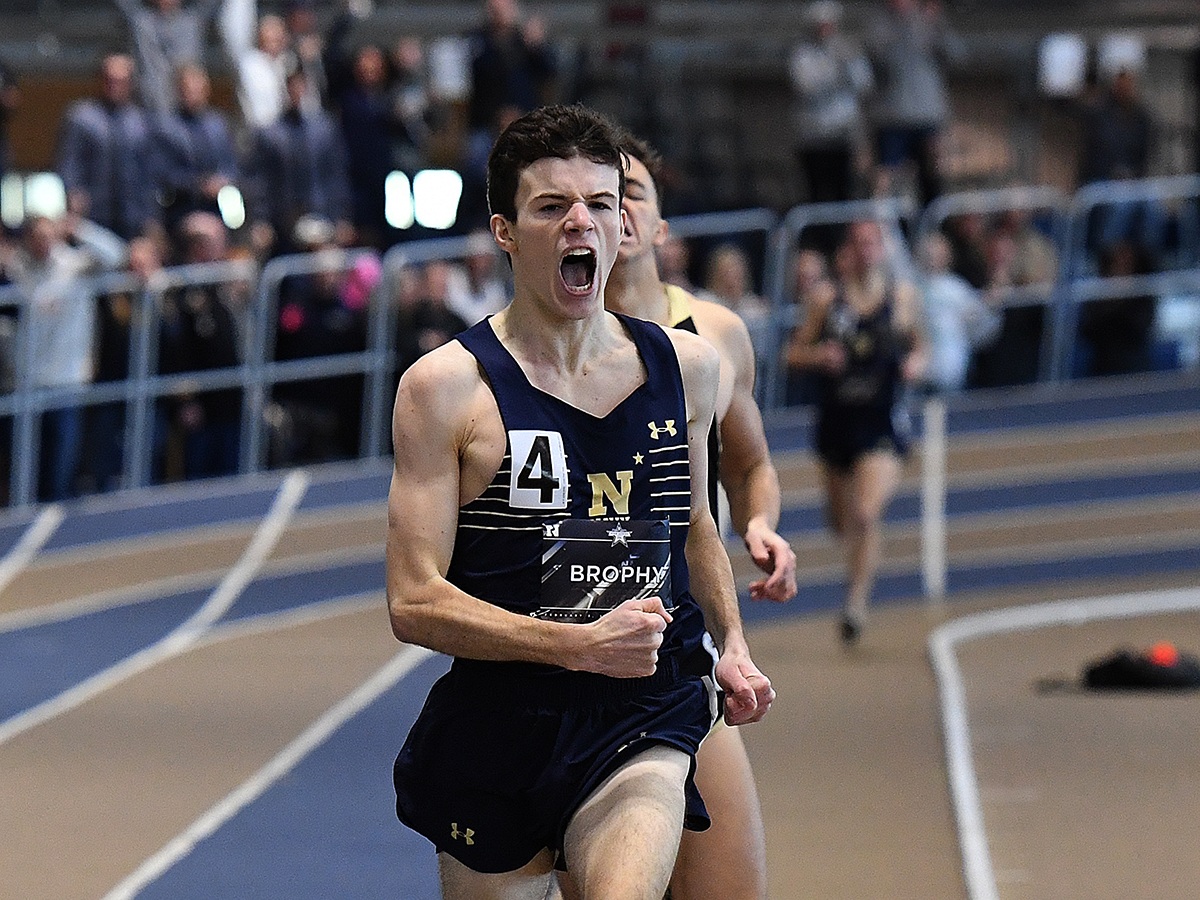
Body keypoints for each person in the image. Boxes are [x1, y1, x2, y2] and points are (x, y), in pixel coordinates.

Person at [387, 104, 773, 900]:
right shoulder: (446, 390)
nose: (582, 224)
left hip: (643, 709)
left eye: (600, 204)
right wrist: (572, 645)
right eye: (551, 207)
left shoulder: (689, 370)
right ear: (504, 230)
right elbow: (413, 602)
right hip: (500, 722)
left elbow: (694, 523)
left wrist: (731, 639)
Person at [602, 132, 796, 900]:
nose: (613, 212)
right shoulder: (535, 351)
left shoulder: (715, 337)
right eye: (593, 198)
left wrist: (760, 523)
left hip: (688, 636)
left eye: (631, 196)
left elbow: (750, 462)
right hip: (577, 640)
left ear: (659, 229)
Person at [787, 218, 926, 643]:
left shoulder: (901, 298)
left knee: (866, 514)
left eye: (873, 243)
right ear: (848, 251)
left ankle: (855, 603)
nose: (866, 251)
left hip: (881, 421)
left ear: (882, 249)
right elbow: (791, 353)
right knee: (841, 522)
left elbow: (922, 346)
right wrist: (818, 357)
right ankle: (856, 579)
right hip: (836, 421)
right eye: (859, 243)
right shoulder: (827, 299)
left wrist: (917, 364)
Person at [57, 53, 158, 241]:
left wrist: (152, 217)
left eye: (121, 81)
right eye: (109, 79)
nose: (114, 86)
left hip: (132, 217)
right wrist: (73, 195)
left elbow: (149, 174)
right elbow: (69, 163)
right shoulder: (81, 117)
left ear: (130, 83)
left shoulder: (141, 121)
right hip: (92, 216)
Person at [148, 63, 240, 235]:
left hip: (219, 205)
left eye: (197, 89)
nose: (193, 95)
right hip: (183, 208)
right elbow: (164, 175)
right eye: (187, 90)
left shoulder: (218, 124)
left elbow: (231, 165)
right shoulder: (167, 128)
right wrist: (200, 185)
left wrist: (223, 180)